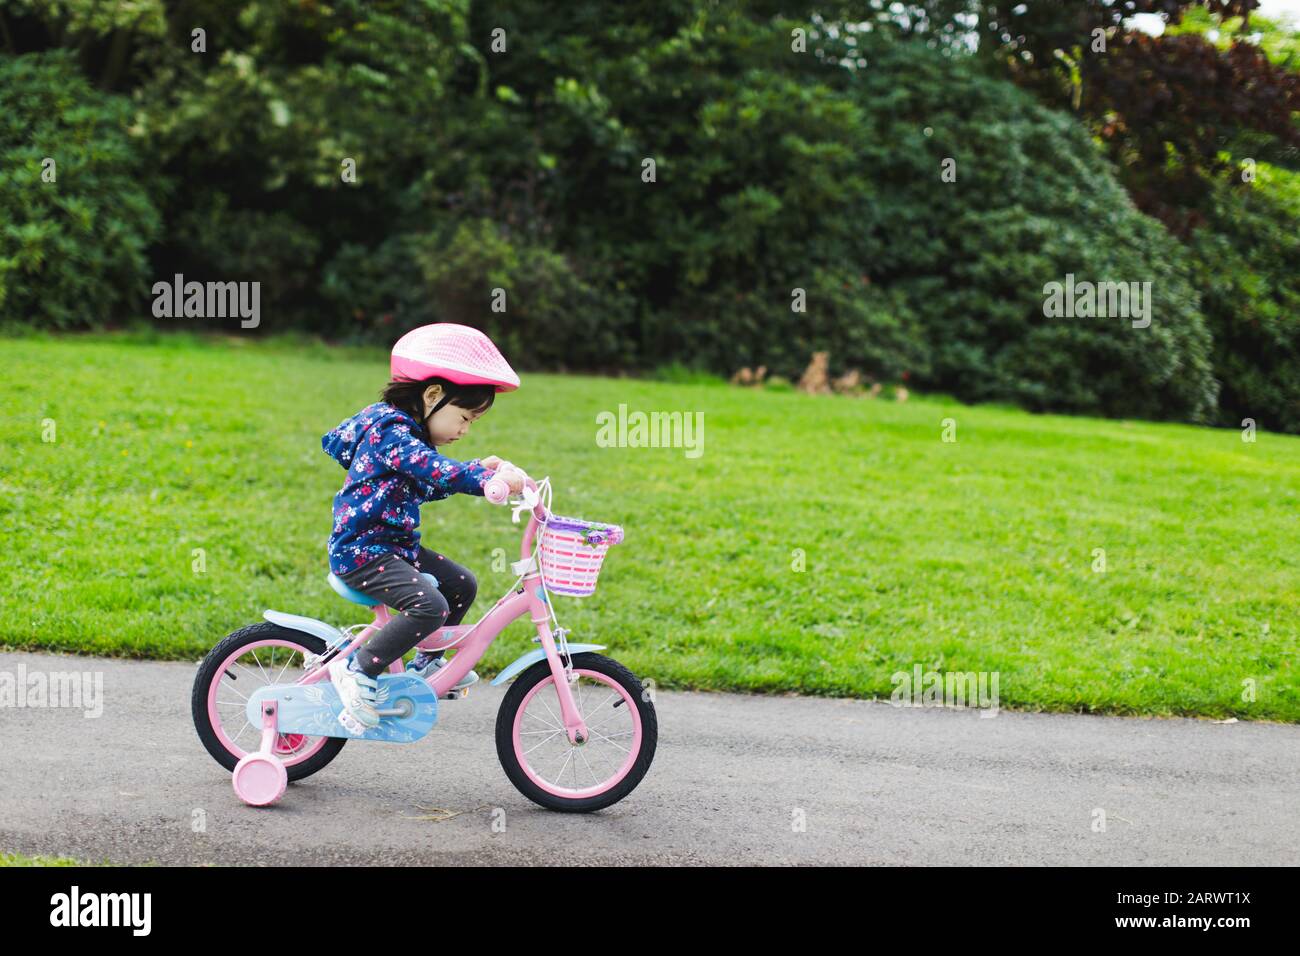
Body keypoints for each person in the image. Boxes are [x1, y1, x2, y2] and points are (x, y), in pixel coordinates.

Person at [320, 323, 526, 733]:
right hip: (363, 552)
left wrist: (475, 472)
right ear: (432, 396)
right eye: (464, 418)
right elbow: (434, 470)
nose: (465, 430)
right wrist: (479, 480)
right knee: (430, 604)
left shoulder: (408, 437)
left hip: (392, 548)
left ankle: (427, 662)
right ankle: (357, 670)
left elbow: (428, 481)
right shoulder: (390, 432)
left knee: (461, 584)